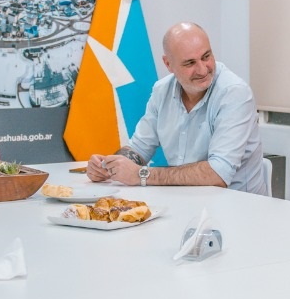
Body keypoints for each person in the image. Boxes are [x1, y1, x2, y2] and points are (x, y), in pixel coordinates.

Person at [87, 22, 265, 194]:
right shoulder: (161, 90)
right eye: (190, 63)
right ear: (168, 64)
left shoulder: (234, 93)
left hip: (237, 210)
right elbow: (139, 148)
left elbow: (218, 173)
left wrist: (140, 174)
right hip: (185, 202)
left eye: (206, 57)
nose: (202, 70)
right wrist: (109, 166)